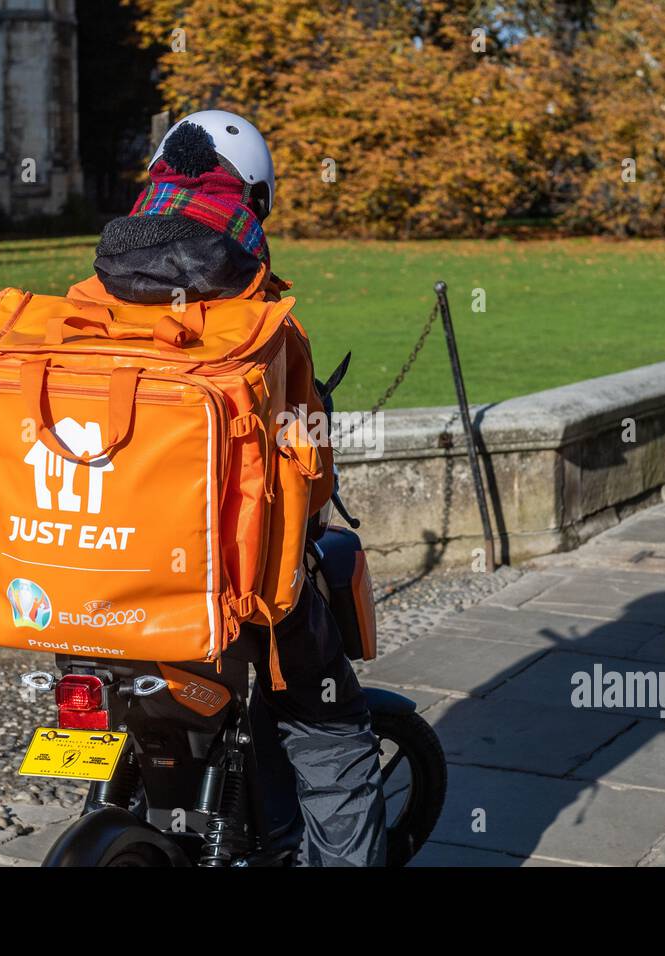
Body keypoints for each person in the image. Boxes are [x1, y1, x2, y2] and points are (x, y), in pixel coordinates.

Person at [69, 110, 387, 867]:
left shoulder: (90, 302)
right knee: (332, 729)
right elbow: (304, 486)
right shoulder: (263, 322)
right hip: (228, 595)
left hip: (86, 580)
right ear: (256, 201)